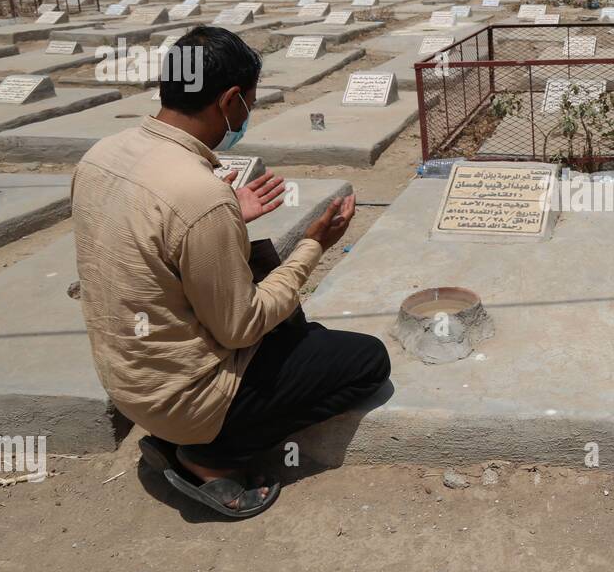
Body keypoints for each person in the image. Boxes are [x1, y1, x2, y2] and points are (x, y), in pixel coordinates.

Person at [70, 26, 390, 518]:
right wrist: (312, 246)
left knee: (309, 338)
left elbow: (146, 240)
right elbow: (239, 327)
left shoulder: (101, 155)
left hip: (128, 384)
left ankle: (177, 438)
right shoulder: (199, 196)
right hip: (186, 401)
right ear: (231, 101)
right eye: (250, 103)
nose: (247, 116)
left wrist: (226, 218)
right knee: (367, 360)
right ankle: (210, 456)